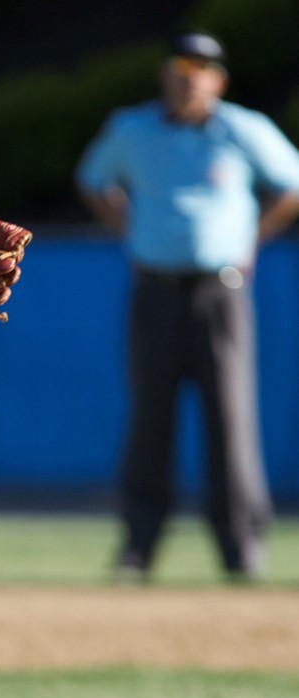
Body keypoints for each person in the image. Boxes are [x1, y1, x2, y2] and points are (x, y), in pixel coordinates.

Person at [76, 31, 299, 585]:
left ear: (219, 79)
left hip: (220, 291)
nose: (190, 77)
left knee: (230, 420)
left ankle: (240, 548)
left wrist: (251, 240)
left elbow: (291, 185)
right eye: (181, 65)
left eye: (202, 68)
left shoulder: (242, 129)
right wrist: (130, 230)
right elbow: (94, 180)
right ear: (165, 74)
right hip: (155, 288)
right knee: (149, 418)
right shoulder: (133, 129)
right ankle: (138, 546)